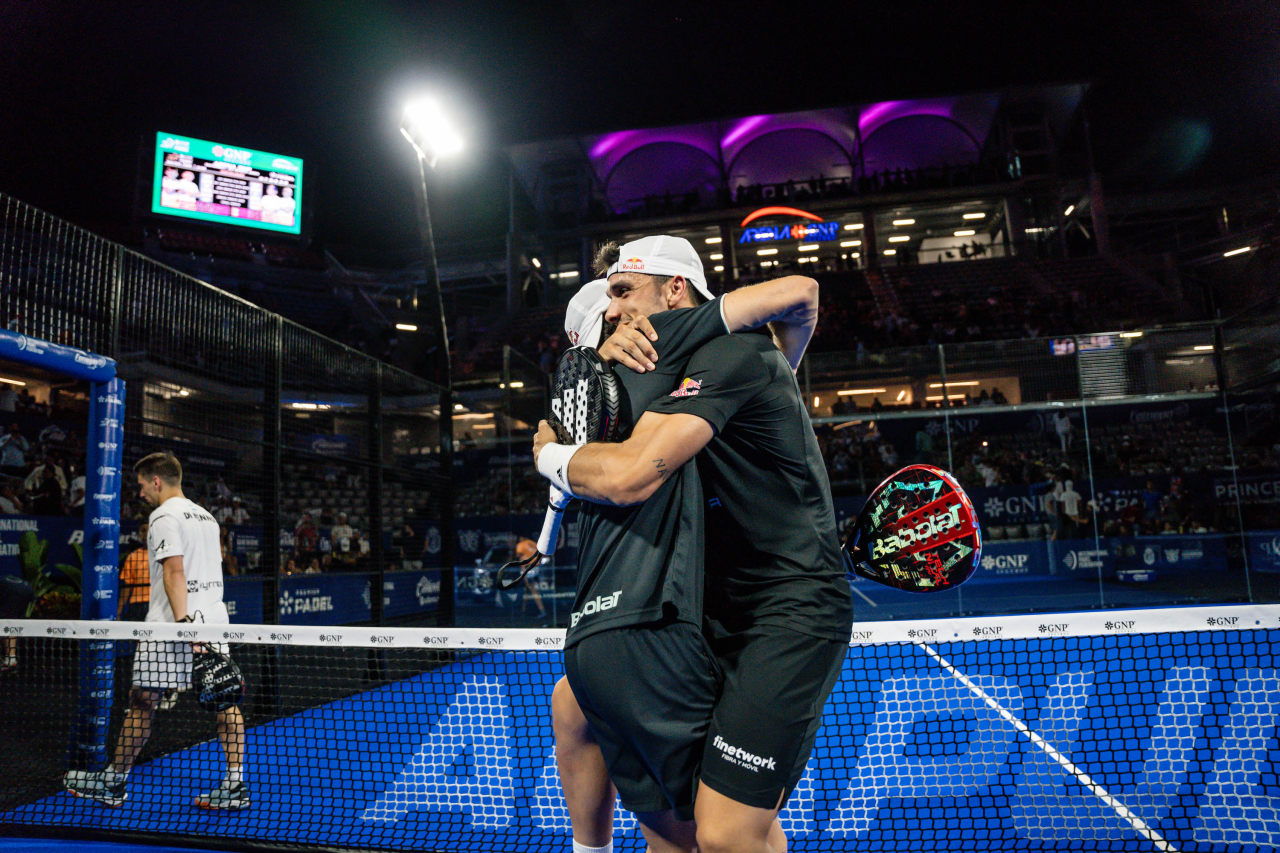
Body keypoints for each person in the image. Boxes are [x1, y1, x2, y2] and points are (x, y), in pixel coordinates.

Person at [541, 236, 828, 853]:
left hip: (784, 610)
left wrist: (549, 454)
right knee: (580, 710)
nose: (612, 309)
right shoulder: (666, 370)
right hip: (713, 605)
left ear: (675, 290)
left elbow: (628, 474)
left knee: (726, 832)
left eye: (622, 293)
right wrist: (601, 358)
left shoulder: (736, 351)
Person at [63, 452, 247, 810]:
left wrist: (184, 627)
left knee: (141, 702)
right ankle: (235, 784)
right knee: (225, 700)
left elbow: (175, 572)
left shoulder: (163, 516)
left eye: (143, 484)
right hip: (211, 623)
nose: (142, 492)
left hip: (172, 628)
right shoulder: (207, 517)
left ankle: (113, 783)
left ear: (157, 481)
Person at [118, 521, 150, 622]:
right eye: (142, 531)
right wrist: (118, 612)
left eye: (148, 530)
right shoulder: (132, 556)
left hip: (156, 604)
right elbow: (127, 587)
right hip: (136, 605)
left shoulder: (163, 554)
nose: (145, 534)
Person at [512, 536, 547, 624]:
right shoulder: (533, 543)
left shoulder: (521, 545)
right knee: (527, 590)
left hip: (528, 568)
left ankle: (542, 611)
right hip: (536, 568)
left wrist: (524, 572)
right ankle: (522, 610)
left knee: (532, 590)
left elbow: (519, 558)